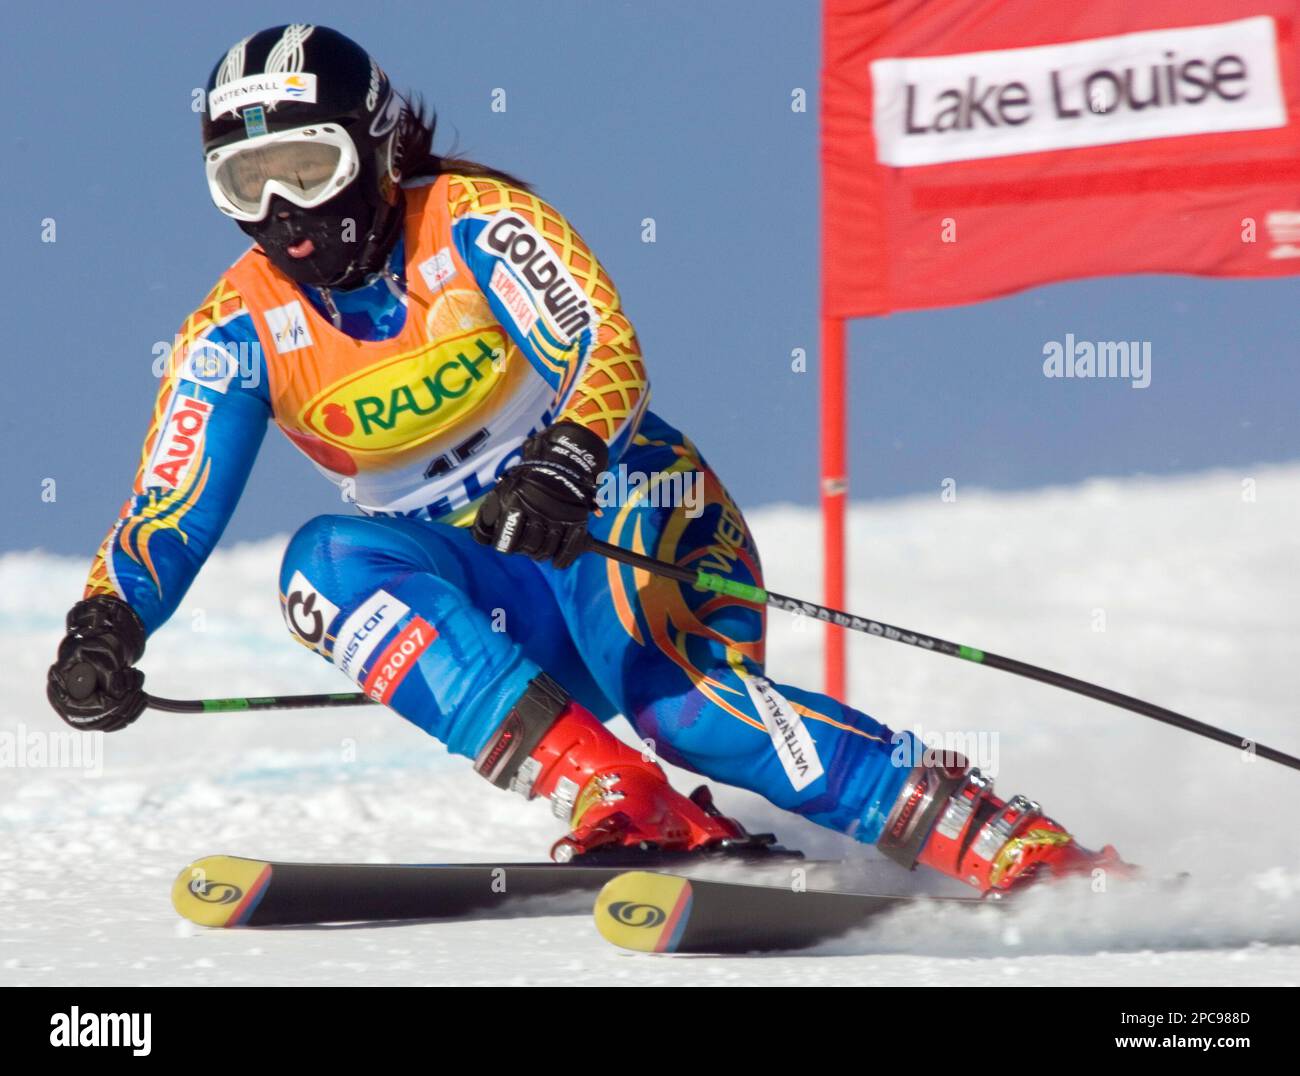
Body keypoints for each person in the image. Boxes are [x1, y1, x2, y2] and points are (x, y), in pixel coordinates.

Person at [47, 24, 1122, 892]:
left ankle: (993, 836)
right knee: (322, 567)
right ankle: (618, 794)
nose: (285, 214)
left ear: (374, 150)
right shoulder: (235, 330)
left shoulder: (472, 221)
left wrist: (561, 462)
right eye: (247, 185)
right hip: (497, 596)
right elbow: (167, 505)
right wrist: (106, 621)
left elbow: (603, 346)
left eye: (307, 167)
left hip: (619, 507)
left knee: (692, 715)